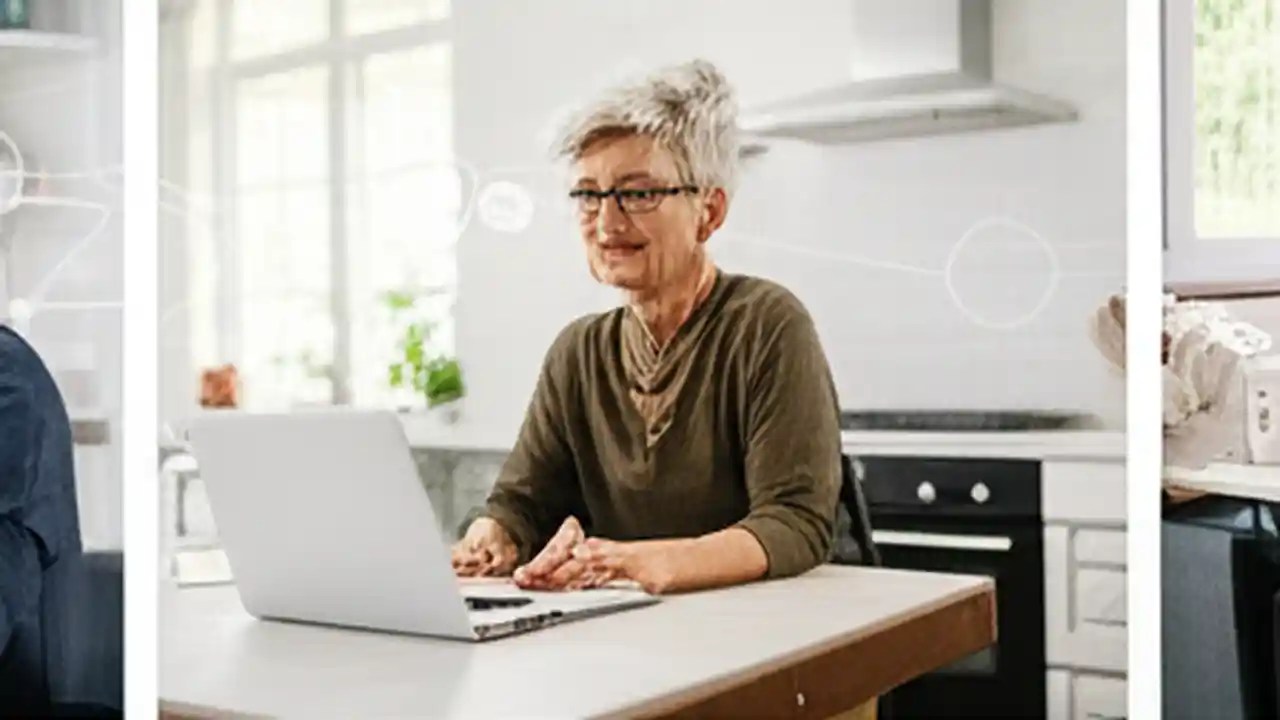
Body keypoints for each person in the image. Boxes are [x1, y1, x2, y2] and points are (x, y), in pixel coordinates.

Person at [451, 59, 870, 598]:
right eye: (587, 195)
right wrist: (496, 536)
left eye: (639, 193)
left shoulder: (768, 324)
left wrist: (644, 563)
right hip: (650, 633)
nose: (606, 223)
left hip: (785, 630)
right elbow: (523, 504)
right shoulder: (578, 352)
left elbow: (794, 524)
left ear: (709, 211)